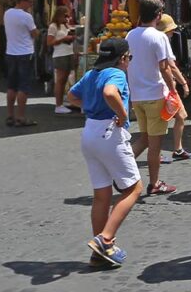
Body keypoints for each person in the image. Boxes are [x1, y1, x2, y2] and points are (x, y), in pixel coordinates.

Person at [66, 38, 141, 269]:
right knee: (133, 188)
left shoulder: (91, 74)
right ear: (122, 58)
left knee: (102, 194)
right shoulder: (116, 73)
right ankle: (105, 239)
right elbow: (110, 93)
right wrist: (123, 114)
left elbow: (71, 95)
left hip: (89, 131)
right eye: (129, 58)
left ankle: (101, 253)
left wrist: (90, 106)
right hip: (109, 133)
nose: (129, 62)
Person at [125, 0, 186, 196]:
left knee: (143, 139)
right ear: (158, 15)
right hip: (155, 94)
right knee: (154, 144)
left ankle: (121, 171)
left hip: (137, 95)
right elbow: (165, 67)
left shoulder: (130, 35)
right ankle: (154, 183)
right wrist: (174, 89)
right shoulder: (158, 37)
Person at [157, 14, 191, 161]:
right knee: (162, 121)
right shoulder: (162, 41)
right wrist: (183, 83)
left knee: (179, 116)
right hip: (165, 86)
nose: (173, 33)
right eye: (170, 30)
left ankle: (177, 149)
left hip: (161, 86)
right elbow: (171, 66)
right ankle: (164, 151)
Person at [4, 0, 41, 127]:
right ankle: (20, 116)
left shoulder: (7, 13)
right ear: (23, 1)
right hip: (25, 53)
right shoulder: (27, 16)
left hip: (11, 52)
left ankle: (10, 115)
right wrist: (38, 32)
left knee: (11, 86)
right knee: (23, 86)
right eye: (30, 1)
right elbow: (34, 33)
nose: (31, 4)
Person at [48, 6, 79, 114]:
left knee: (65, 80)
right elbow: (50, 42)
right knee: (60, 80)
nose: (67, 17)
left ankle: (63, 103)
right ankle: (58, 104)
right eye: (65, 15)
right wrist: (63, 39)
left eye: (68, 15)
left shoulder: (66, 26)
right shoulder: (53, 26)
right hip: (60, 55)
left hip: (68, 53)